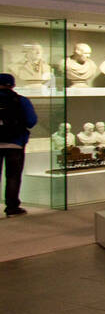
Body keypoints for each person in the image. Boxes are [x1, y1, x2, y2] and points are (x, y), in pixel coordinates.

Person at [0, 73, 38, 217]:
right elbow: (31, 121)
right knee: (13, 176)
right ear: (13, 85)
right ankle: (12, 208)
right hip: (15, 143)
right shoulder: (21, 101)